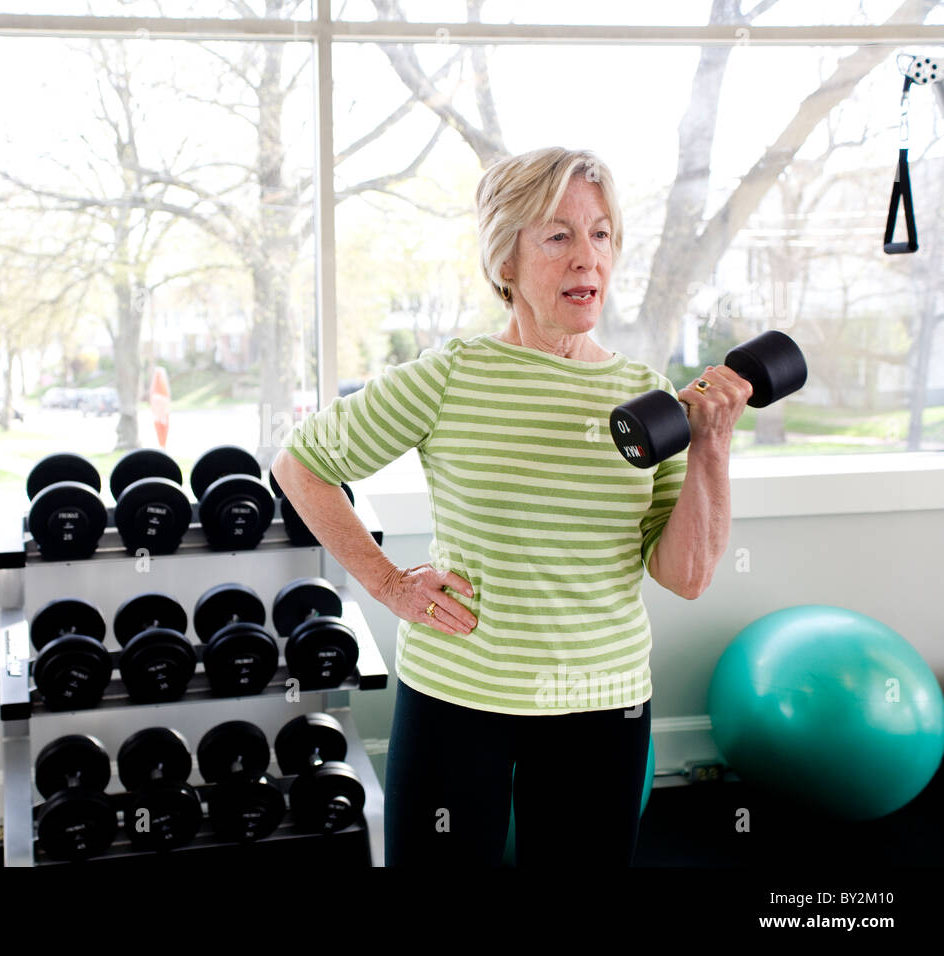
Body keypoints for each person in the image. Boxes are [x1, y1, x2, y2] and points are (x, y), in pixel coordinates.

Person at [270, 146, 753, 867]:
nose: (586, 258)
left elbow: (685, 575)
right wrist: (389, 585)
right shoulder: (452, 375)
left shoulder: (645, 396)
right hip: (461, 696)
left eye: (600, 234)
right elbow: (301, 464)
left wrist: (712, 449)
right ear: (506, 259)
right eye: (557, 235)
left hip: (602, 699)